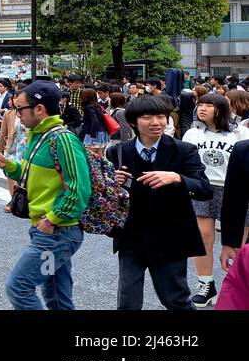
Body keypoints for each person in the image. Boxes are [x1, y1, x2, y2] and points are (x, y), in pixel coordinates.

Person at [0, 80, 91, 310]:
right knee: (56, 296)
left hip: (57, 232)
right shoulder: (39, 135)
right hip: (50, 230)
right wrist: (9, 165)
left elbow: (79, 187)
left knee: (19, 286)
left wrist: (51, 219)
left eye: (20, 109)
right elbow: (31, 173)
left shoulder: (61, 139)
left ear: (40, 109)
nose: (17, 114)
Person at [106, 94, 212, 310]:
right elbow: (106, 194)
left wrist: (177, 178)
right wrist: (112, 183)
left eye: (161, 116)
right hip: (131, 235)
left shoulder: (183, 150)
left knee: (175, 299)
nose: (156, 122)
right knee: (127, 301)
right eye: (147, 117)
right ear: (134, 122)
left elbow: (204, 189)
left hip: (170, 235)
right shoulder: (118, 152)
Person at [182, 92, 249, 307]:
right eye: (200, 105)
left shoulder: (241, 134)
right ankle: (206, 284)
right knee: (202, 238)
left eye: (208, 105)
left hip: (235, 190)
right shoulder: (192, 134)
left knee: (238, 241)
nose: (202, 109)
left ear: (221, 109)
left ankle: (238, 284)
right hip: (203, 186)